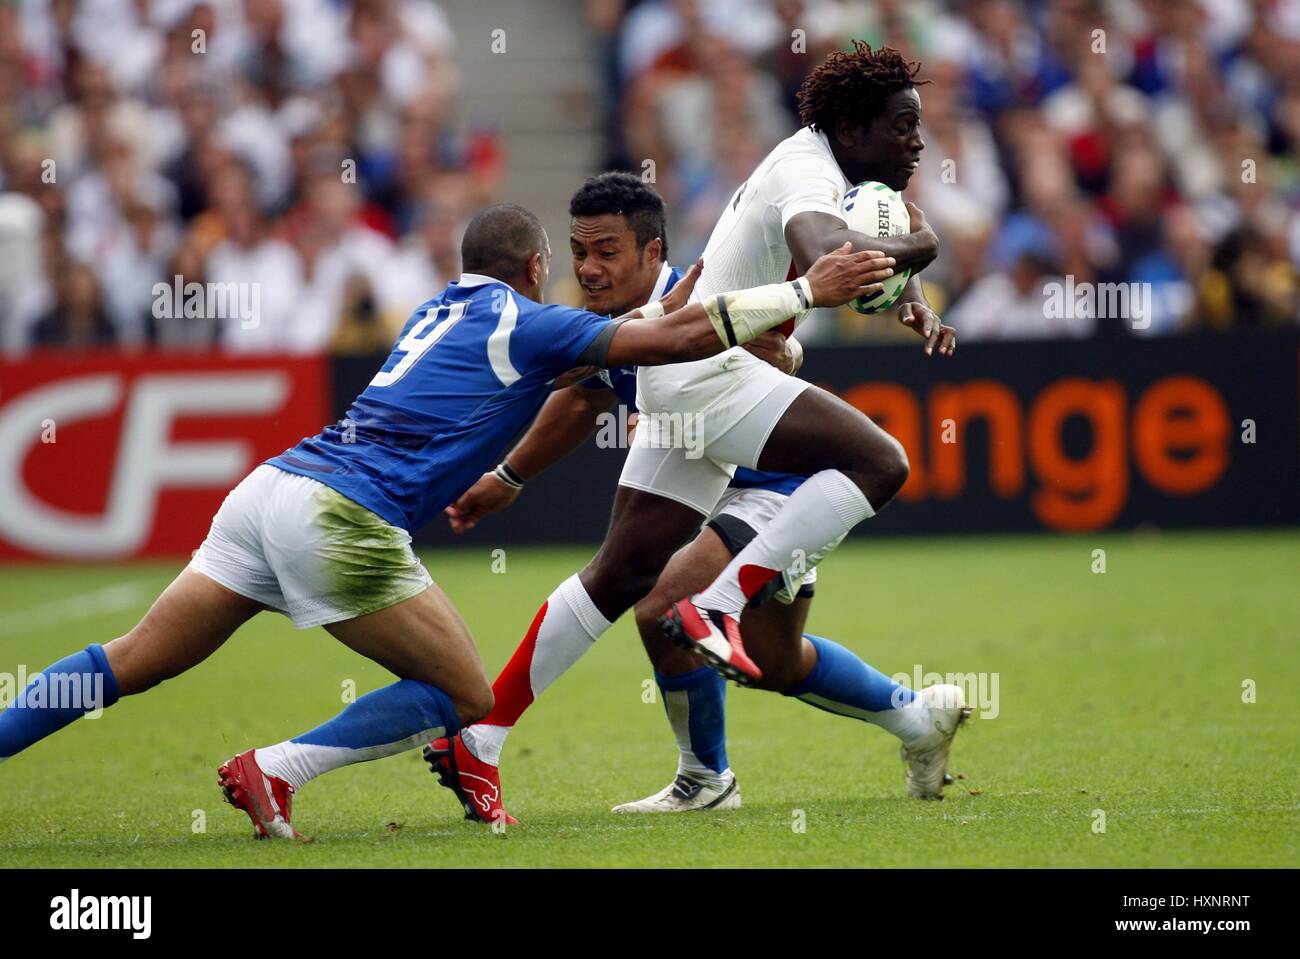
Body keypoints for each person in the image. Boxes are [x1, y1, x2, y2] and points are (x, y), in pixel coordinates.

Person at [0, 203, 892, 840]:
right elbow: (666, 344)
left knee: (129, 660)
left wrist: (505, 472)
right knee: (464, 694)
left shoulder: (436, 310)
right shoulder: (528, 321)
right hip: (341, 516)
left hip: (267, 490)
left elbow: (587, 378)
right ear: (535, 264)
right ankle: (278, 767)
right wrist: (803, 291)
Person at [430, 43, 966, 826]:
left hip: (693, 391)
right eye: (904, 126)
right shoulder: (804, 172)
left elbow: (843, 250)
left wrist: (909, 291)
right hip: (714, 384)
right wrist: (927, 249)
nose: (917, 141)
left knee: (631, 584)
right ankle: (716, 613)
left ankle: (485, 734)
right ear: (852, 127)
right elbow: (827, 256)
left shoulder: (821, 172)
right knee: (881, 462)